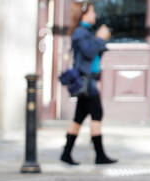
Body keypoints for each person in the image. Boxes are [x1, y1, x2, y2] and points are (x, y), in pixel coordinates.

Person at [62, 2, 116, 166]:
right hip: (87, 81)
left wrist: (100, 41)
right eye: (92, 12)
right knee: (97, 114)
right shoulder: (80, 32)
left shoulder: (85, 32)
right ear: (84, 14)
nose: (95, 16)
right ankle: (99, 155)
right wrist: (100, 39)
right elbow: (88, 52)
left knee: (79, 117)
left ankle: (66, 153)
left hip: (89, 80)